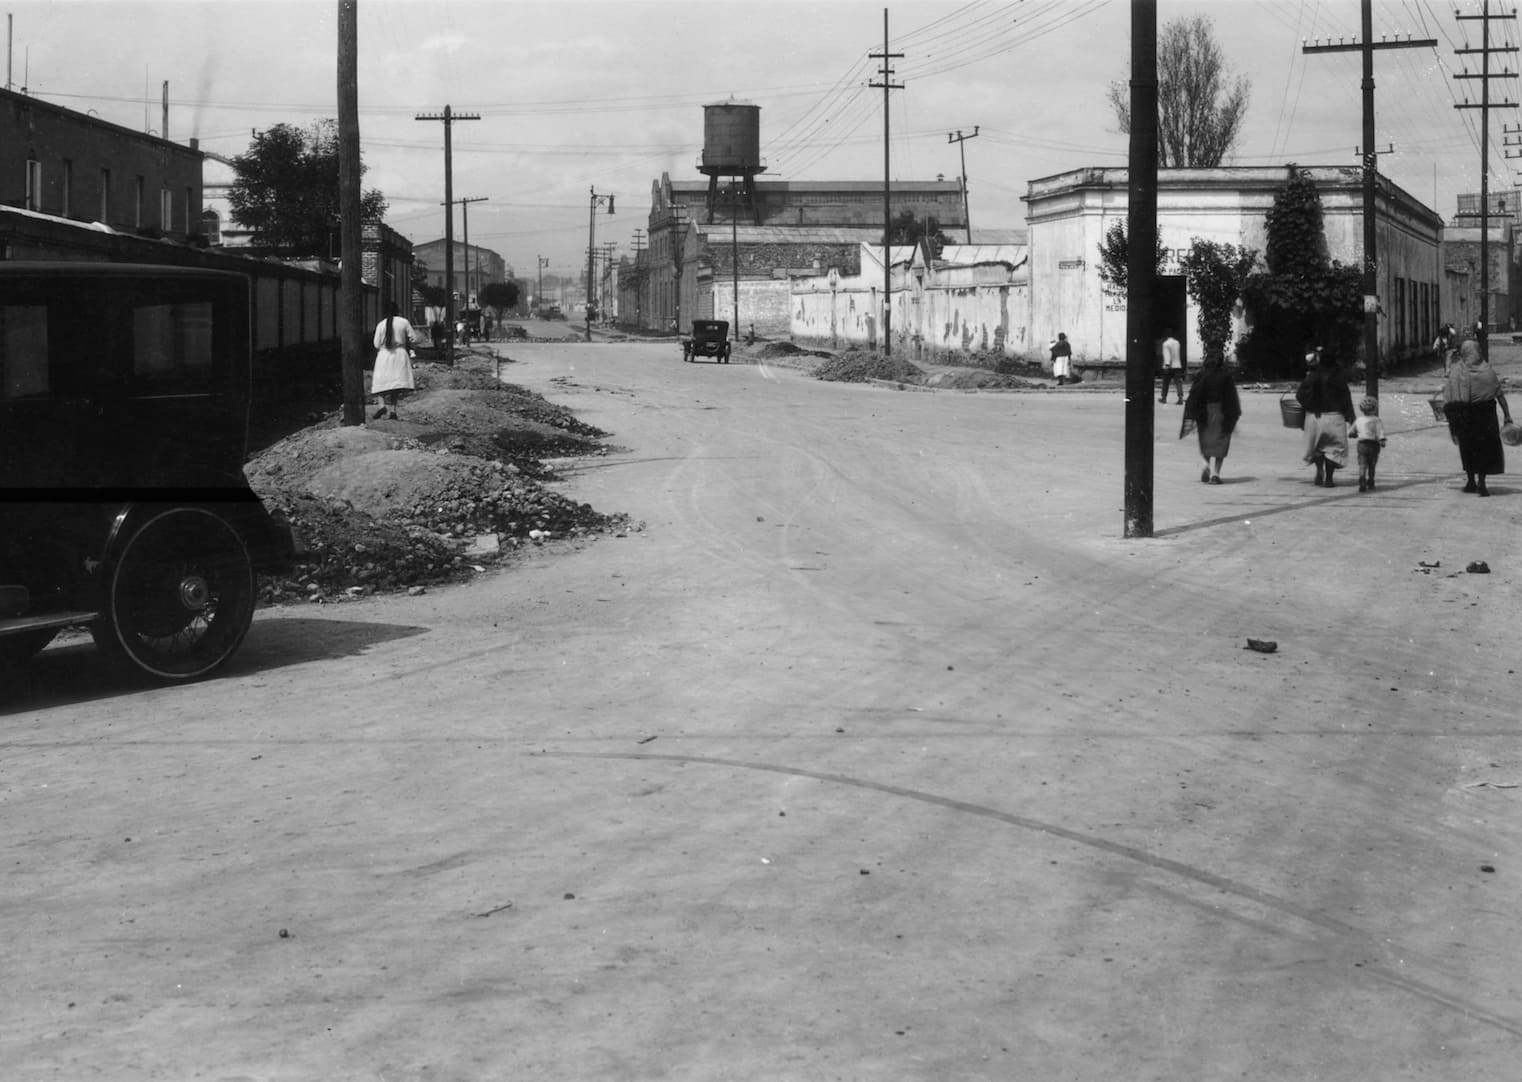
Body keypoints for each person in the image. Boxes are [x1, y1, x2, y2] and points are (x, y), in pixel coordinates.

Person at [1442, 338, 1513, 497]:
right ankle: (1482, 482)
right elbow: (1500, 395)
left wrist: (1452, 418)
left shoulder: (1457, 371)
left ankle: (1470, 482)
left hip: (1465, 416)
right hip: (1486, 416)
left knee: (1468, 448)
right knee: (1484, 449)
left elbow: (1449, 396)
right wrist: (1507, 415)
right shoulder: (1487, 370)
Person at [1295, 347, 1355, 487]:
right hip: (1335, 417)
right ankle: (1329, 478)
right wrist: (1351, 419)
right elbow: (1346, 400)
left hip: (1314, 418)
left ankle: (1319, 471)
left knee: (1317, 447)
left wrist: (1310, 407)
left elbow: (1300, 395)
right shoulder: (1339, 378)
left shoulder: (1312, 376)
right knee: (1333, 450)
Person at [1182, 354, 1241, 484]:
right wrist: (1233, 418)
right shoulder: (1226, 376)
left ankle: (1205, 465)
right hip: (1221, 413)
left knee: (1206, 441)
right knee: (1221, 444)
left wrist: (1190, 416)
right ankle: (1216, 475)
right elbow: (1232, 398)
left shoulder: (1202, 375)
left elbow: (1194, 395)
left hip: (1205, 413)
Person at [371, 300, 417, 421]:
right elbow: (414, 338)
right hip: (399, 354)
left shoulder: (381, 324)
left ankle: (382, 406)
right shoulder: (404, 322)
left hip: (384, 355)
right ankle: (393, 411)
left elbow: (376, 344)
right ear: (397, 310)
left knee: (380, 382)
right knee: (395, 384)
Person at [1349, 396, 1387, 493]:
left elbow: (1351, 432)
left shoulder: (1358, 420)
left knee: (1362, 464)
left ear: (1361, 409)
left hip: (1362, 444)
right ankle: (1371, 481)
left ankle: (1362, 479)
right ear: (1375, 408)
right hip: (1373, 444)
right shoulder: (1377, 420)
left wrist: (1353, 435)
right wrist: (1382, 441)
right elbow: (1380, 432)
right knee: (1372, 465)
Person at [1158, 328, 1184, 404]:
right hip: (1177, 365)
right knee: (1178, 382)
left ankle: (1164, 398)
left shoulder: (1166, 344)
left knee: (1165, 383)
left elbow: (1167, 355)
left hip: (1169, 366)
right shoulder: (1177, 343)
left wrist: (1167, 364)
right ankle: (1180, 398)